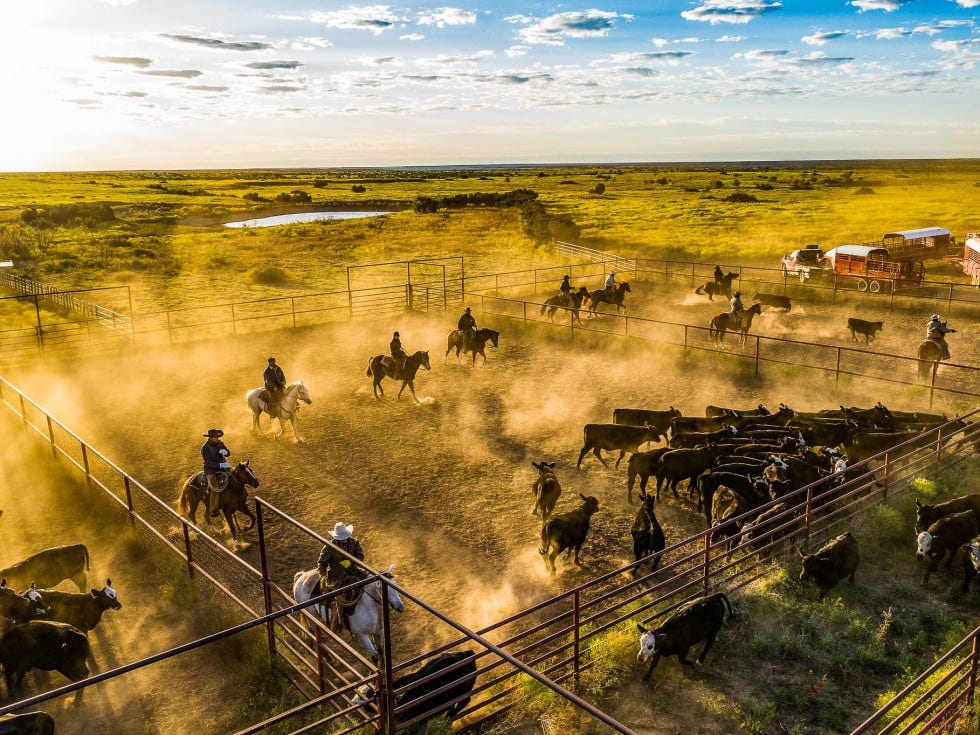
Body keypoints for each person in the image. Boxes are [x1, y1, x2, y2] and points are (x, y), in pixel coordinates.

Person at [317, 522, 366, 594]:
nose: (344, 539)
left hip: (354, 570)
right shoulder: (329, 547)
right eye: (341, 538)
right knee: (338, 593)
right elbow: (321, 563)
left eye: (345, 537)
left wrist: (351, 562)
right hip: (337, 575)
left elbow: (360, 555)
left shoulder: (354, 542)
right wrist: (323, 576)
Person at [200, 429, 231, 517]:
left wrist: (225, 452)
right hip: (211, 470)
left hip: (224, 466)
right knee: (215, 487)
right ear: (210, 438)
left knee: (236, 477)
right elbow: (208, 462)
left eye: (217, 437)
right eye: (215, 437)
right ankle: (213, 509)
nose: (217, 438)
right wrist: (220, 465)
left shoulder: (220, 444)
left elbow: (228, 453)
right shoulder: (205, 448)